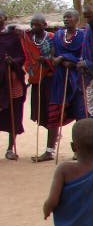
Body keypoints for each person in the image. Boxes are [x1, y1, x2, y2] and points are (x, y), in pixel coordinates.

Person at [48, 9, 85, 149]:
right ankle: (49, 150)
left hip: (76, 79)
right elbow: (53, 56)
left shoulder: (83, 35)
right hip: (60, 78)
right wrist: (60, 60)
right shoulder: (57, 35)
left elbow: (84, 55)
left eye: (69, 17)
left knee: (80, 114)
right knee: (54, 113)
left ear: (76, 19)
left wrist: (67, 58)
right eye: (64, 17)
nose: (66, 19)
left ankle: (79, 149)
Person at [20, 13, 55, 162]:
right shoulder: (28, 39)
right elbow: (27, 58)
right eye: (32, 24)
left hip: (50, 80)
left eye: (37, 24)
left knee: (51, 113)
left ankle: (49, 149)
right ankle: (53, 139)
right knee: (40, 113)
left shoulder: (53, 38)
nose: (34, 27)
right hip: (36, 80)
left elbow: (56, 57)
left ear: (45, 25)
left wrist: (46, 60)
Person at [0, 8, 25, 160]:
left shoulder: (13, 37)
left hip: (12, 79)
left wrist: (12, 61)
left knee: (13, 114)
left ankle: (10, 148)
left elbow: (21, 57)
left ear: (5, 19)